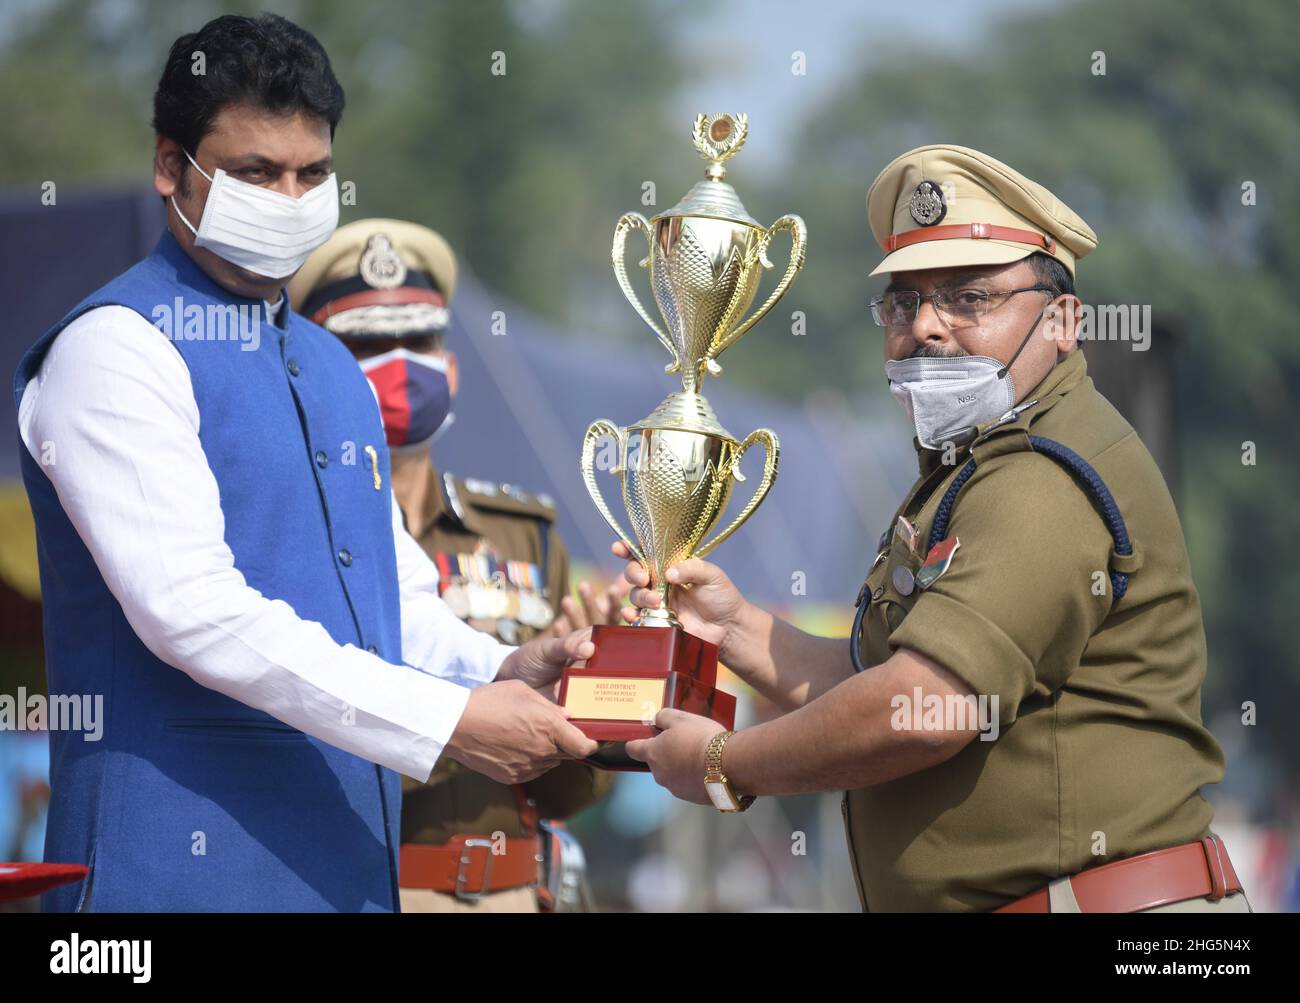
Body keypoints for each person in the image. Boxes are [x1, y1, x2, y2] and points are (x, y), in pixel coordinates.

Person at [11, 14, 595, 913]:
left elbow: (394, 605)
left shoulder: (331, 366)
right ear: (172, 167)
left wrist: (497, 673)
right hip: (162, 887)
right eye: (254, 173)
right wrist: (451, 722)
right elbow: (192, 612)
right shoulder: (115, 348)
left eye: (311, 174)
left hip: (342, 882)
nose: (289, 197)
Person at [618, 144, 1249, 914]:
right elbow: (887, 686)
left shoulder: (1041, 475)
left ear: (1063, 319)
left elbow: (926, 708)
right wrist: (737, 629)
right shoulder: (978, 464)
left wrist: (725, 761)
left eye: (970, 297)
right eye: (902, 302)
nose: (927, 327)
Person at [290, 219, 621, 912]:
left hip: (511, 894)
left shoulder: (521, 535)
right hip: (356, 894)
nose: (402, 362)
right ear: (313, 363)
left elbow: (572, 790)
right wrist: (473, 727)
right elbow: (306, 741)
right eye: (369, 344)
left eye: (421, 340)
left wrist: (594, 694)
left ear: (452, 364)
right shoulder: (292, 534)